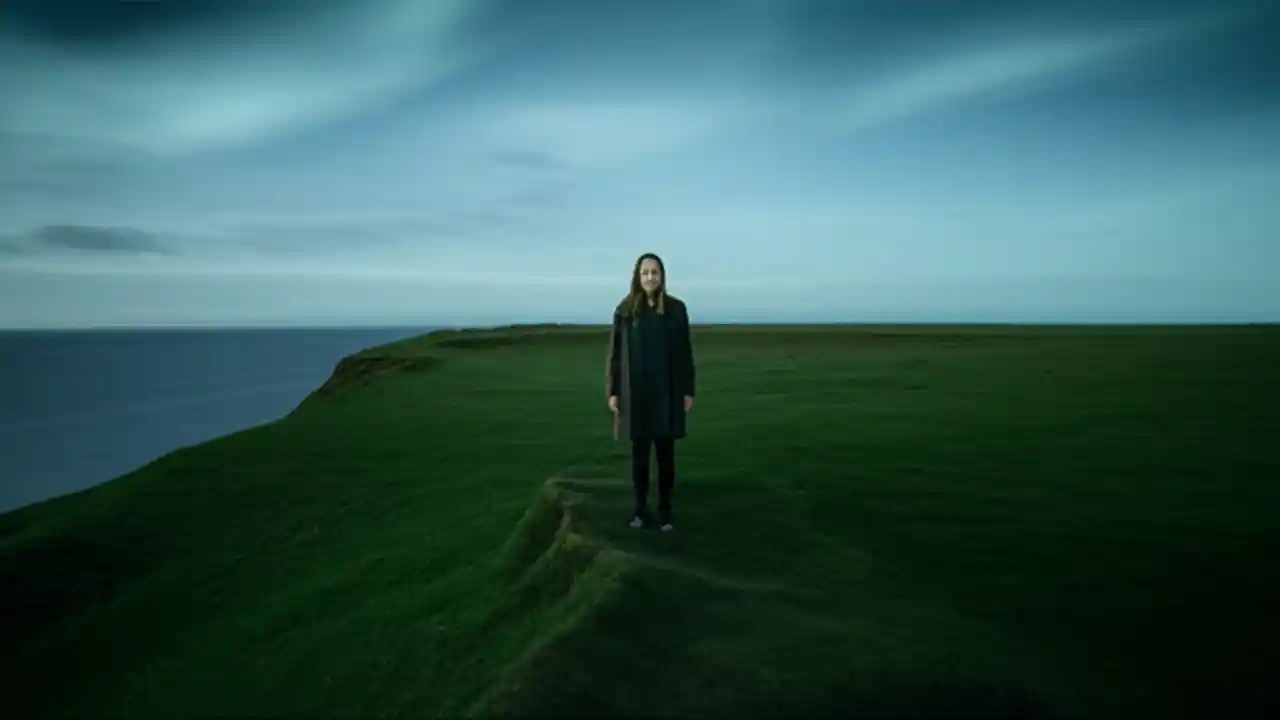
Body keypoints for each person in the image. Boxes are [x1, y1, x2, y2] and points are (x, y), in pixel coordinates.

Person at [604, 252, 696, 532]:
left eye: (655, 272)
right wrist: (613, 391)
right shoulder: (625, 311)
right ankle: (640, 510)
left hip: (667, 392)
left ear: (662, 276)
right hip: (636, 394)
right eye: (645, 273)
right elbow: (615, 355)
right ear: (637, 276)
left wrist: (687, 390)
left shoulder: (676, 309)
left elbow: (685, 353)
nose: (650, 277)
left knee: (666, 456)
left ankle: (665, 511)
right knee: (640, 457)